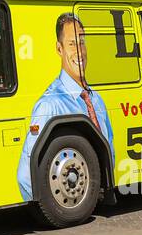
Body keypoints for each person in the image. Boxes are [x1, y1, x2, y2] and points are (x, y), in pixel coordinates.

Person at [16, 13, 112, 201]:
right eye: (72, 44)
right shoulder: (49, 105)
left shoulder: (96, 100)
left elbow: (110, 153)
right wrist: (52, 207)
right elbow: (25, 176)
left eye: (82, 42)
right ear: (59, 49)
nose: (80, 51)